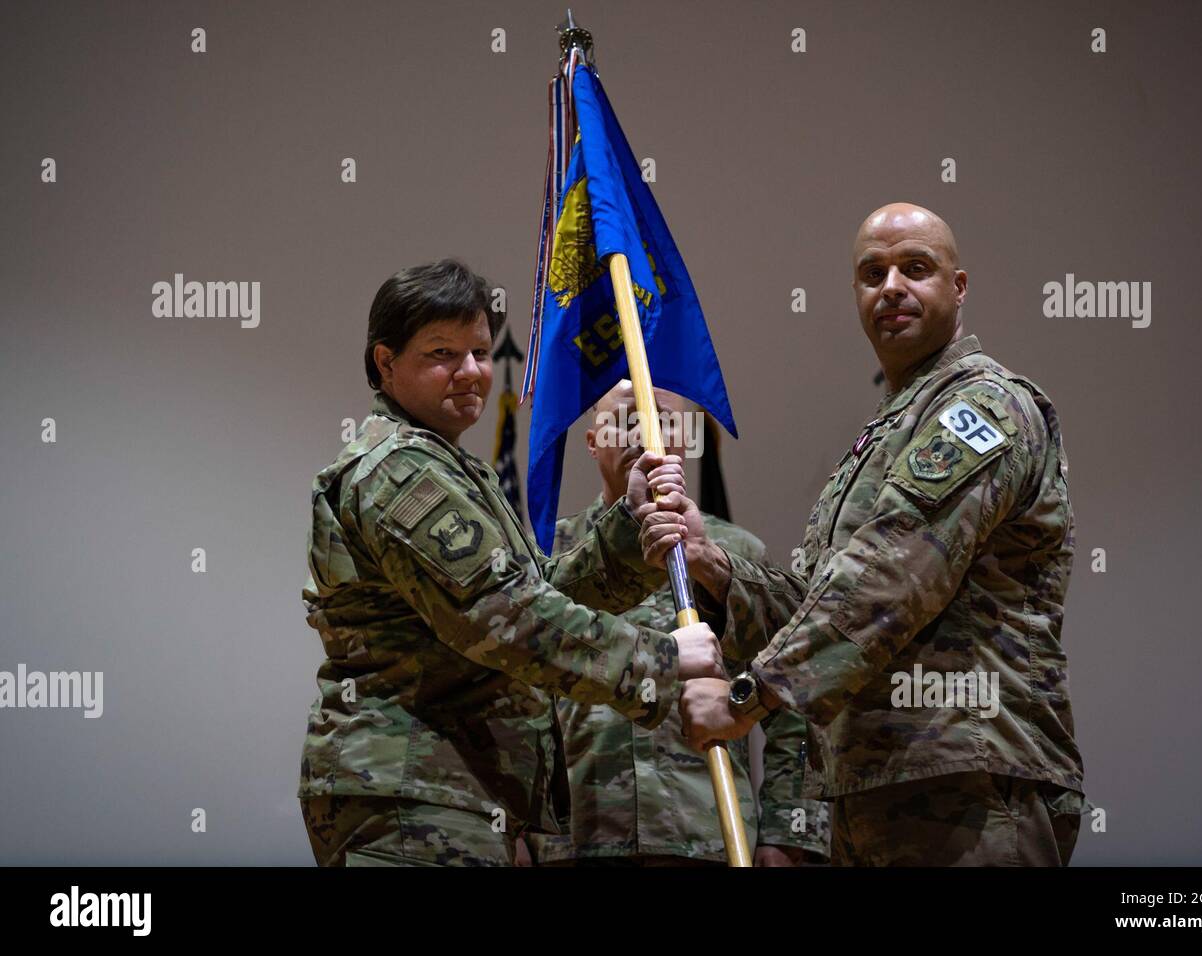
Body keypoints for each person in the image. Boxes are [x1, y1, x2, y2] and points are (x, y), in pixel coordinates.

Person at [659, 203, 1086, 866]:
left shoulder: (983, 405)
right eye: (872, 273)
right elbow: (817, 603)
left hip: (966, 785)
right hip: (870, 792)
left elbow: (889, 579)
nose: (891, 286)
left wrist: (746, 699)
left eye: (916, 268)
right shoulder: (886, 431)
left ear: (959, 286)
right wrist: (714, 564)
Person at [298, 259, 724, 866]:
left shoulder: (443, 463)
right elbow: (502, 616)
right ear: (386, 363)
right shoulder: (399, 469)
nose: (471, 371)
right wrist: (660, 659)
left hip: (445, 786)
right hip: (410, 790)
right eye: (442, 353)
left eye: (479, 350)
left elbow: (534, 591)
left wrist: (627, 531)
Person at [525, 381, 829, 866]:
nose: (646, 436)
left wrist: (788, 830)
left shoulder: (733, 555)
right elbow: (521, 694)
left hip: (706, 827)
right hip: (578, 830)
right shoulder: (546, 556)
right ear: (591, 440)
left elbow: (791, 701)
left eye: (665, 422)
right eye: (626, 420)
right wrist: (519, 824)